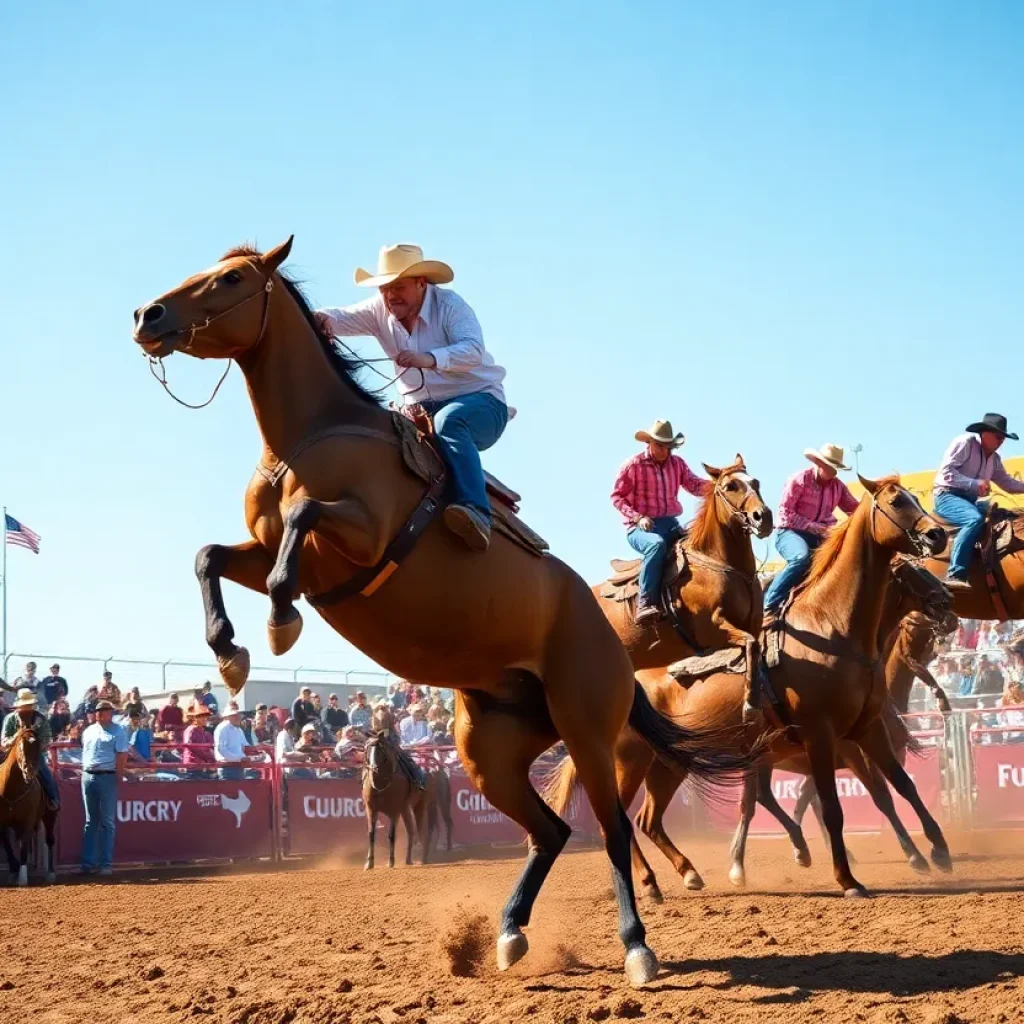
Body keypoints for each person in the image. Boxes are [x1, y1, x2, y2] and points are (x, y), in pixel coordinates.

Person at [317, 243, 509, 552]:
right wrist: (303, 318)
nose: (391, 295)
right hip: (418, 410)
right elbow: (335, 319)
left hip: (481, 403)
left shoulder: (450, 306)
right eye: (385, 288)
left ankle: (477, 513)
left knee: (450, 422)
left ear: (422, 283)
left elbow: (473, 350)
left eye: (399, 286)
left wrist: (428, 358)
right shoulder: (379, 310)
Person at [610, 419, 711, 625]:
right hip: (639, 528)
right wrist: (638, 517)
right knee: (655, 545)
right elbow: (617, 497)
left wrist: (721, 486)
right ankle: (645, 603)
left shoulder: (677, 464)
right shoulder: (633, 465)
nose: (665, 451)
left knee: (700, 543)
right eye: (661, 446)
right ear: (650, 443)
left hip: (670, 523)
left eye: (669, 447)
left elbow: (694, 484)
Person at [763, 443, 859, 617]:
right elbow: (785, 513)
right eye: (830, 467)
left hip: (819, 536)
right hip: (788, 532)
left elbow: (855, 510)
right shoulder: (798, 480)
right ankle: (769, 605)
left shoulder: (838, 487)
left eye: (836, 468)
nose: (833, 472)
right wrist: (814, 527)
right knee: (801, 557)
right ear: (818, 463)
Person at [934, 414, 1024, 586]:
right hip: (947, 496)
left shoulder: (995, 459)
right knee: (974, 520)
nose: (1001, 440)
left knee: (1004, 517)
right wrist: (974, 484)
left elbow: (1007, 483)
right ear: (984, 433)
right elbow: (945, 473)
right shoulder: (965, 443)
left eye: (1003, 437)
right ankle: (955, 573)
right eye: (998, 436)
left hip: (969, 501)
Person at [80, 699, 129, 876]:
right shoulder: (88, 731)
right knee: (91, 821)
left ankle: (105, 864)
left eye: (105, 710)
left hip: (107, 776)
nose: (101, 713)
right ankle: (88, 864)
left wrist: (118, 775)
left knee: (106, 821)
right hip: (88, 775)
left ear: (111, 713)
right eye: (98, 710)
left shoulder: (118, 731)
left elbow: (122, 755)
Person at [1, 689, 60, 807]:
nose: (26, 708)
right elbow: (4, 740)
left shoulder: (40, 719)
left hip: (34, 754)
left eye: (28, 705)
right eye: (24, 705)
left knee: (46, 773)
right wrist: (15, 738)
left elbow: (47, 738)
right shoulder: (10, 719)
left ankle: (54, 800)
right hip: (11, 753)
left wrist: (35, 746)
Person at [213, 702, 253, 780]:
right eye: (234, 715)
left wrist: (256, 753)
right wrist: (240, 758)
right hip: (226, 767)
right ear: (228, 717)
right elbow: (221, 750)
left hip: (238, 767)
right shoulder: (222, 729)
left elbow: (246, 746)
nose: (238, 717)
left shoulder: (238, 730)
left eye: (238, 715)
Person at [181, 704, 215, 777]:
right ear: (195, 718)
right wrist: (211, 758)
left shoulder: (200, 730)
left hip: (198, 765)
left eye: (206, 716)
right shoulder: (192, 729)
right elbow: (195, 747)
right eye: (201, 716)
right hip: (193, 765)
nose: (205, 718)